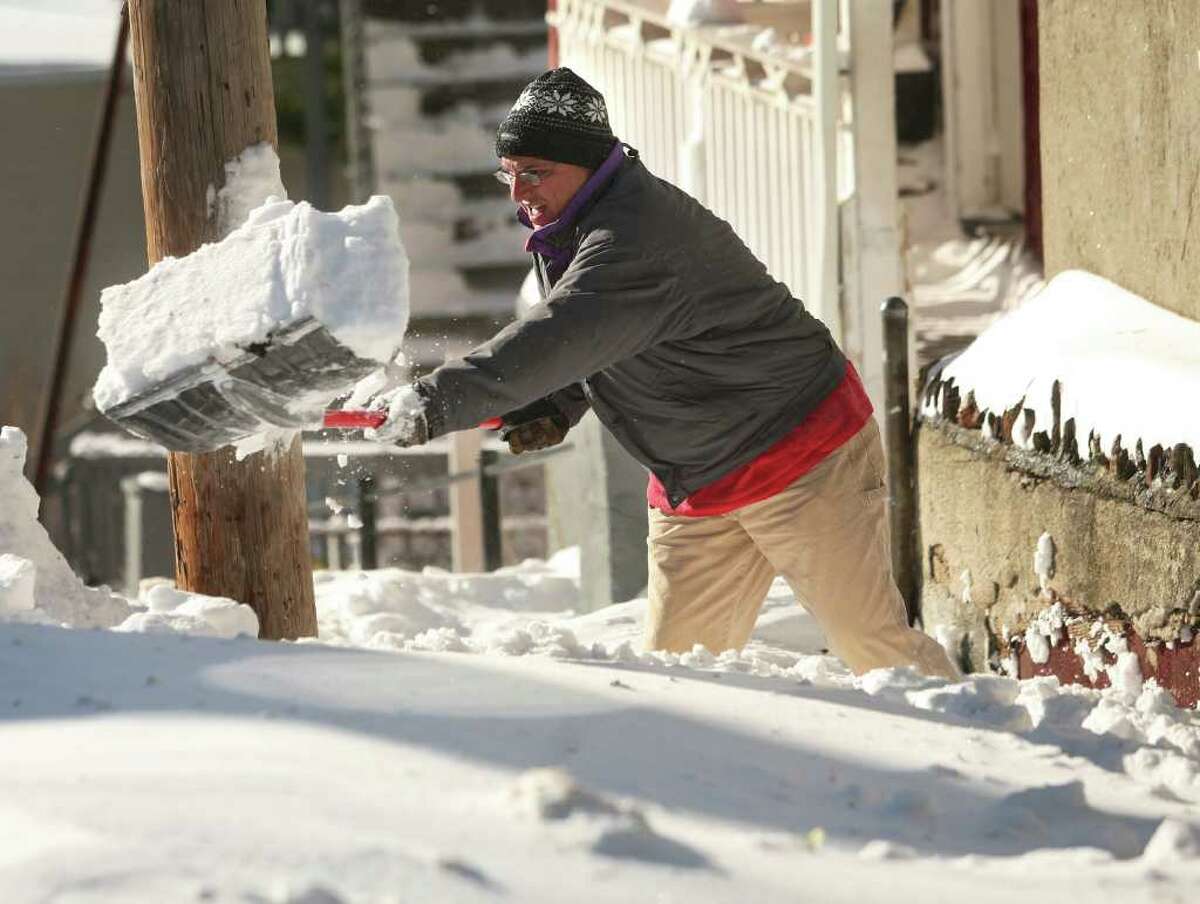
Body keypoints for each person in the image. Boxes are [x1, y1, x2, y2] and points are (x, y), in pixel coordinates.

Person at [378, 68, 958, 679]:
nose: (519, 191)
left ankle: (975, 745)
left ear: (588, 163)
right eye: (510, 172)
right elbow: (605, 340)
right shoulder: (569, 227)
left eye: (536, 172)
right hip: (699, 482)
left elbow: (564, 332)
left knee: (875, 649)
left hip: (800, 453)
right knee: (679, 673)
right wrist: (560, 402)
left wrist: (435, 402)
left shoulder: (636, 236)